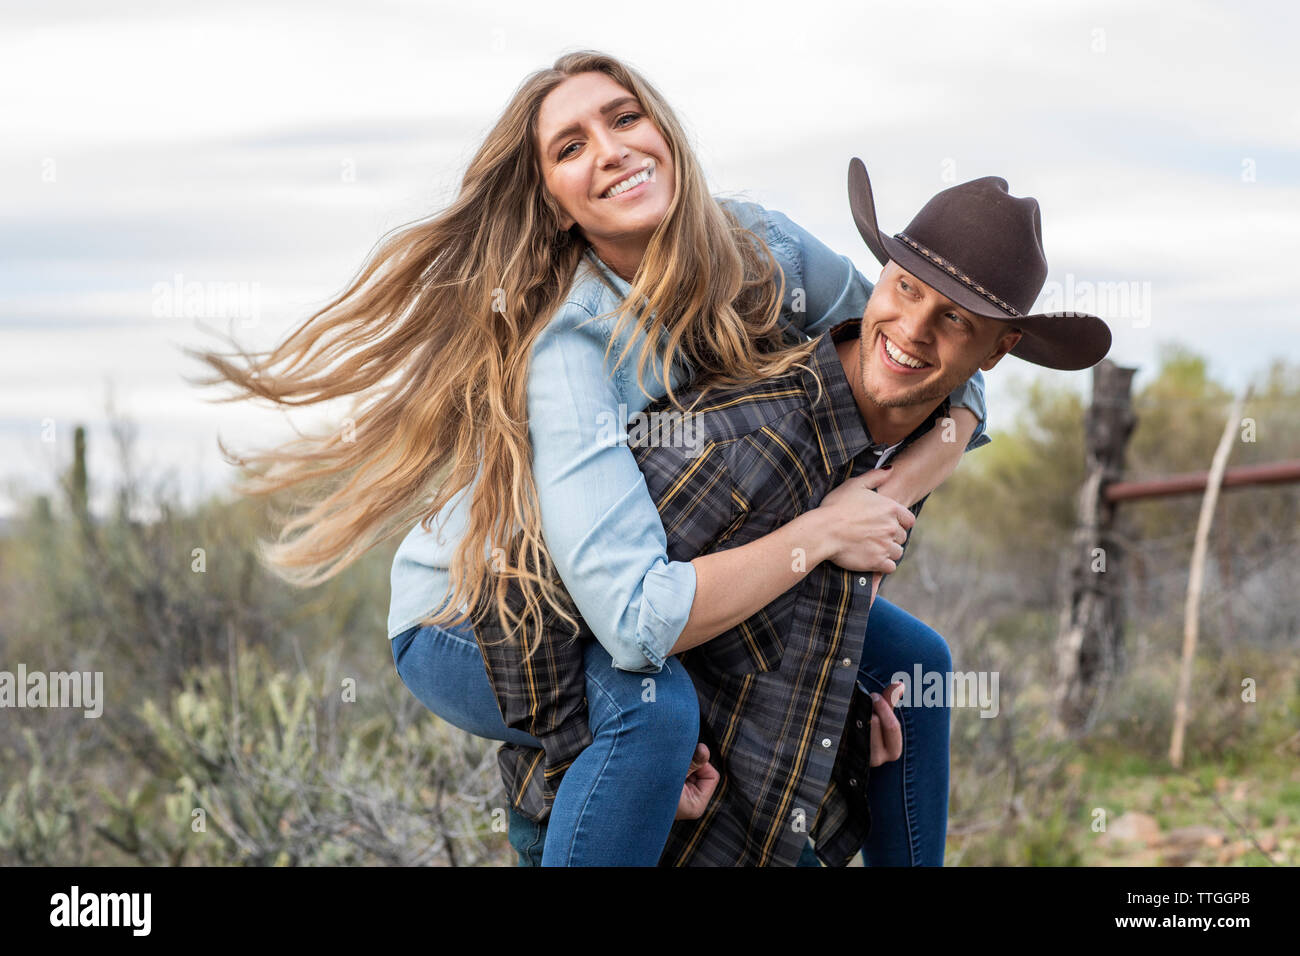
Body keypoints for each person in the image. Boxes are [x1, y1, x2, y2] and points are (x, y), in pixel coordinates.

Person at [191, 51, 987, 866]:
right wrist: (820, 535)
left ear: (664, 132)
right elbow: (641, 620)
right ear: (555, 203)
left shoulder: (765, 252)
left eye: (623, 117)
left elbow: (940, 381)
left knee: (915, 668)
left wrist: (883, 505)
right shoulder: (572, 350)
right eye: (569, 148)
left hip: (655, 567)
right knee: (653, 713)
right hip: (481, 611)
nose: (609, 150)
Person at [478, 159, 1112, 866]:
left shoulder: (908, 434)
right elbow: (534, 600)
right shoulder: (746, 439)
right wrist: (573, 783)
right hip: (646, 791)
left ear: (999, 350)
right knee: (661, 714)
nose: (914, 329)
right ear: (880, 280)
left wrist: (851, 752)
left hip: (757, 811)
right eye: (905, 288)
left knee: (917, 673)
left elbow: (791, 640)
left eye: (956, 319)